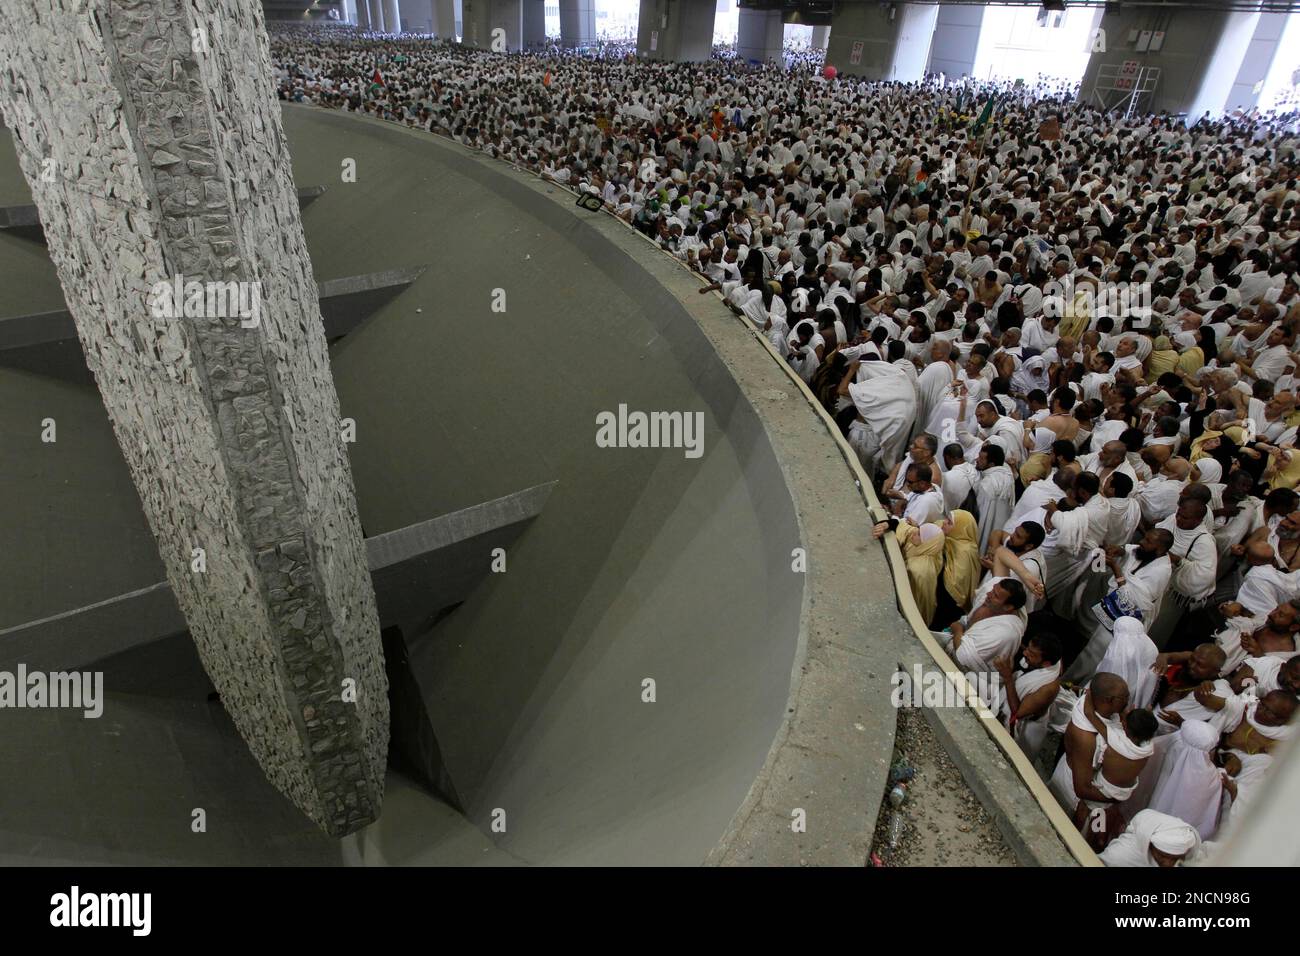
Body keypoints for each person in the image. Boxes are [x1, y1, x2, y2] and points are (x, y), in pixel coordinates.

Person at [1098, 809, 1201, 867]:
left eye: (1176, 858)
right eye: (1163, 856)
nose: (1169, 863)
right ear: (1148, 844)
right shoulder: (1119, 856)